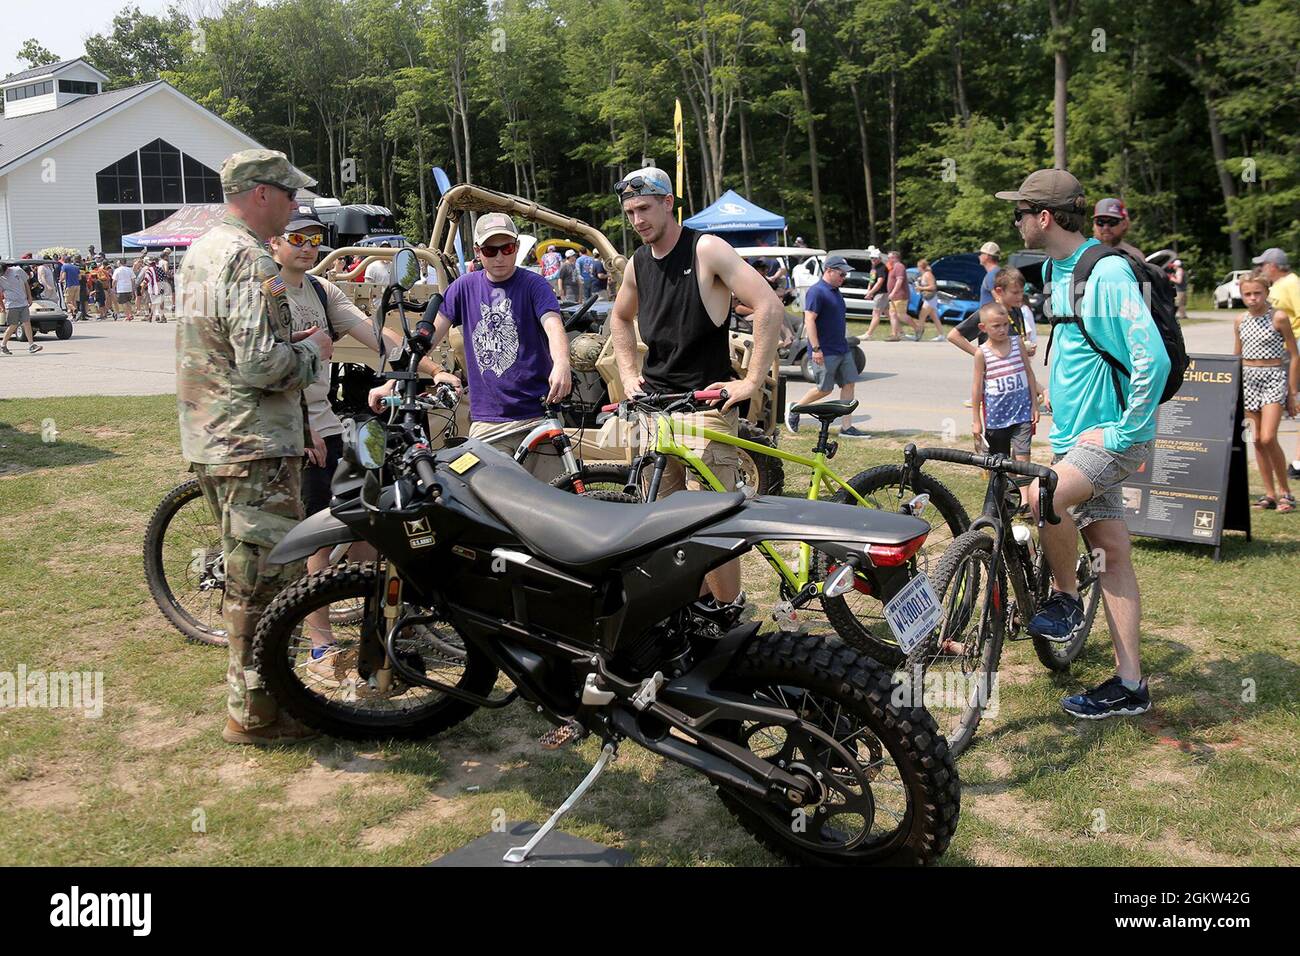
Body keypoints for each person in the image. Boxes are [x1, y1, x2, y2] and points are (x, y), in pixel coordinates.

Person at [997, 166, 1170, 719]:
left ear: (1043, 217)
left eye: (1019, 213)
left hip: (1110, 438)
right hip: (1077, 436)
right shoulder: (1058, 267)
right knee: (1113, 554)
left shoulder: (1107, 275)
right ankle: (1131, 685)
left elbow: (1153, 360)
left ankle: (1067, 599)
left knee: (1043, 497)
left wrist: (1124, 429)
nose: (1015, 223)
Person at [177, 148, 330, 746]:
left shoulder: (203, 250)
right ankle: (260, 713)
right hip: (252, 443)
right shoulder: (246, 259)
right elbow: (264, 363)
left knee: (249, 576)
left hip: (216, 436)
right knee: (268, 583)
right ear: (261, 193)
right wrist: (314, 350)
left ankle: (254, 704)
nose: (297, 207)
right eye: (290, 195)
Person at [269, 214, 459, 682]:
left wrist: (430, 369)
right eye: (297, 238)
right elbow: (264, 366)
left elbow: (378, 335)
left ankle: (388, 619)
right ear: (274, 243)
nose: (308, 246)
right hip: (289, 423)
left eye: (315, 239)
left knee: (363, 522)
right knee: (319, 527)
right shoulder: (267, 293)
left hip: (325, 420)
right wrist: (301, 428)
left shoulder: (319, 291)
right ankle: (319, 643)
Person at [609, 166, 782, 617]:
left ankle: (729, 612)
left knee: (708, 521)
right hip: (656, 408)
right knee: (664, 523)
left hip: (704, 407)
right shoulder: (637, 263)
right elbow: (619, 318)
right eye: (630, 212)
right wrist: (629, 374)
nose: (638, 220)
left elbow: (768, 304)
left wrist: (750, 381)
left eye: (645, 208)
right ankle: (692, 607)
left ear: (669, 203)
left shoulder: (706, 248)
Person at [369, 213, 572, 468]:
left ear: (517, 248)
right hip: (488, 422)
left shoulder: (535, 285)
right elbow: (427, 340)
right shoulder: (463, 287)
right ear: (478, 251)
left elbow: (553, 326)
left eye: (507, 248)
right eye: (490, 250)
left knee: (551, 498)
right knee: (484, 501)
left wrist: (562, 362)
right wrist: (393, 383)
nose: (499, 257)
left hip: (537, 415)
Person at [1233, 273, 1298, 511]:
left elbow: (1293, 355)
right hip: (1248, 379)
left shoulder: (1278, 318)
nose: (1252, 298)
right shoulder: (1240, 320)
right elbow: (1236, 356)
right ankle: (1269, 494)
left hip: (1273, 377)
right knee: (1256, 439)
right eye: (1247, 294)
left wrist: (1292, 393)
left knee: (1269, 436)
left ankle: (1286, 493)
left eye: (1257, 293)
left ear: (1267, 292)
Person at [787, 254, 867, 437]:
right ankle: (795, 408)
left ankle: (846, 427)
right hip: (824, 350)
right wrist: (816, 349)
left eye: (845, 275)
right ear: (829, 271)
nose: (843, 278)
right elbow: (810, 319)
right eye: (841, 274)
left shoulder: (835, 291)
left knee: (849, 384)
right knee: (824, 389)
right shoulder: (817, 291)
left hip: (841, 348)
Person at [971, 302, 1039, 484]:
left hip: (1022, 412)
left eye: (1005, 325)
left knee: (1023, 459)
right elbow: (977, 388)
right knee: (1000, 463)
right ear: (983, 327)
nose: (1002, 330)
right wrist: (976, 420)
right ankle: (1007, 495)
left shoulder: (1017, 344)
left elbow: (1029, 374)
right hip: (997, 418)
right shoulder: (982, 353)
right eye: (996, 326)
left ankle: (1025, 500)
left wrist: (1034, 404)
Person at [1250, 248, 1300, 480]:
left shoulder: (1292, 283)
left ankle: (1297, 462)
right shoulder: (1276, 286)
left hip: (1293, 345)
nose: (1261, 269)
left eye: (1263, 265)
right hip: (1270, 354)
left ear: (1274, 265)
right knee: (1259, 433)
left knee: (1295, 401)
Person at [0, 262, 42, 355]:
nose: (2, 275)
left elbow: (26, 283)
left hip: (22, 302)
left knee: (27, 323)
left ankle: (31, 345)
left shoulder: (17, 270)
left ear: (7, 269)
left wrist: (29, 297)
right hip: (11, 304)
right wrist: (2, 306)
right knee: (13, 325)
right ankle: (3, 345)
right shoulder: (0, 277)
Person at [863, 247, 896, 340]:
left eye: (875, 258)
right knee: (888, 313)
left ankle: (868, 334)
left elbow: (880, 282)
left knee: (876, 313)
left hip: (881, 293)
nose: (873, 260)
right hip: (877, 293)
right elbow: (872, 280)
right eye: (871, 258)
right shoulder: (874, 267)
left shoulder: (882, 268)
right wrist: (869, 290)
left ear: (879, 258)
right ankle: (899, 332)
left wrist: (871, 292)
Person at [912, 257, 944, 341]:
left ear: (921, 267)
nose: (917, 268)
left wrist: (920, 288)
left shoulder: (928, 274)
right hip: (928, 298)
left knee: (922, 316)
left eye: (918, 266)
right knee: (934, 317)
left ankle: (918, 335)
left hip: (931, 298)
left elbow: (933, 287)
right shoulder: (923, 275)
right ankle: (941, 335)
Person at [886, 250, 911, 340]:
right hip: (894, 296)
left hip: (900, 295)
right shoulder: (892, 267)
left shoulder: (899, 266)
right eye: (888, 257)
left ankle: (918, 328)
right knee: (892, 314)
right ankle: (894, 335)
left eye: (890, 257)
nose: (888, 259)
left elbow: (899, 281)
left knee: (901, 315)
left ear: (896, 258)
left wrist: (893, 292)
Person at [977, 241, 1001, 306]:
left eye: (980, 253)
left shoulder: (991, 275)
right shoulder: (999, 272)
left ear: (987, 256)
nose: (979, 256)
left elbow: (999, 300)